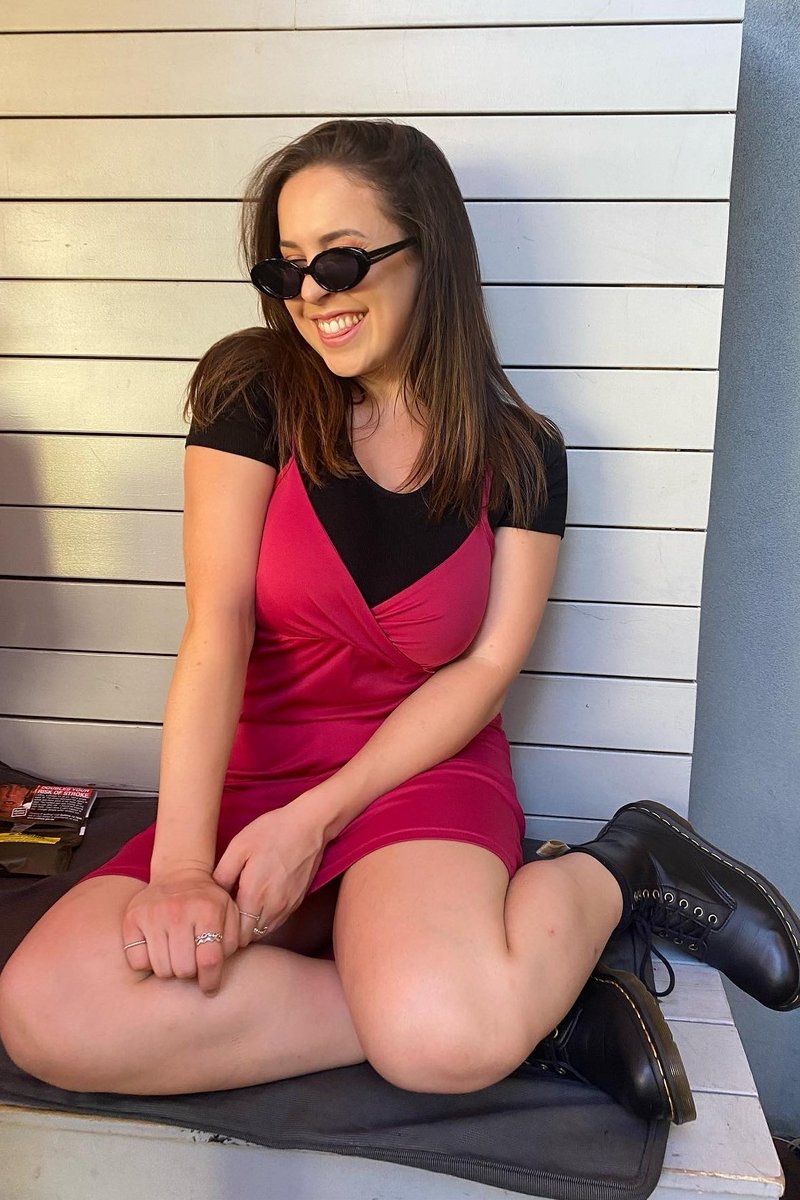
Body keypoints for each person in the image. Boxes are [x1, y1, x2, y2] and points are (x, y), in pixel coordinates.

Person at [0, 121, 797, 1124]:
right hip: (258, 773)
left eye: (339, 259)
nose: (312, 295)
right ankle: (529, 1011)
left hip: (417, 770)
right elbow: (217, 631)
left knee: (440, 1038)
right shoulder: (253, 390)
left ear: (428, 250)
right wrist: (185, 872)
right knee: (48, 1012)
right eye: (287, 268)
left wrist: (320, 818)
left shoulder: (523, 453)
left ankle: (623, 866)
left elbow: (487, 670)